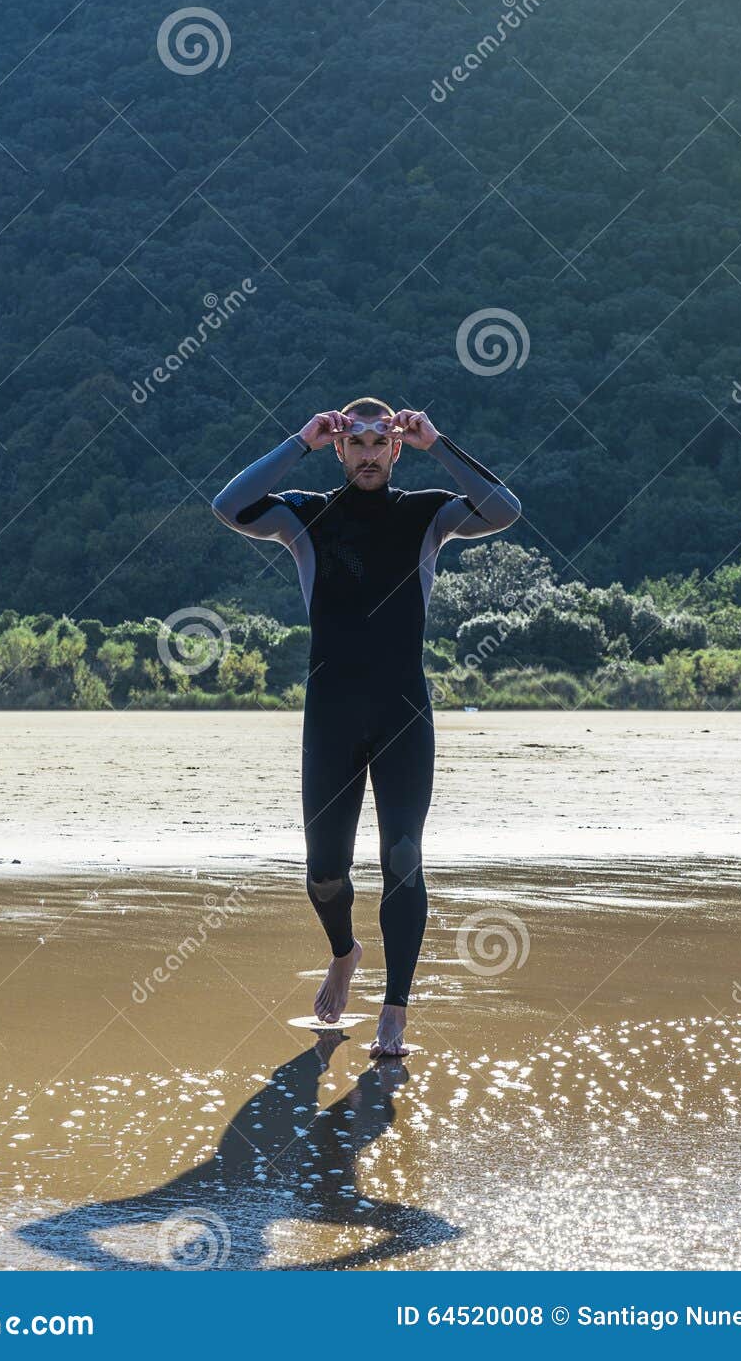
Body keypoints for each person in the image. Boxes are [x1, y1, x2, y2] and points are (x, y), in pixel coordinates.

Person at [211, 400, 521, 1056]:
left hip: (403, 709)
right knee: (325, 872)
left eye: (383, 443)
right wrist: (301, 439)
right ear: (341, 449)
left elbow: (504, 509)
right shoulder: (303, 515)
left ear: (398, 449)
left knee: (402, 858)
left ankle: (395, 1013)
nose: (372, 454)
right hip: (331, 711)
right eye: (358, 444)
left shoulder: (426, 515)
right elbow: (228, 506)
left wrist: (440, 441)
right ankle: (344, 952)